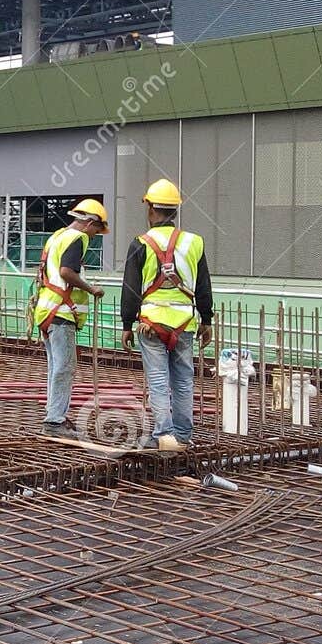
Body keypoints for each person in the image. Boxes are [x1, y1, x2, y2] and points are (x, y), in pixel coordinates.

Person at [121, 179, 213, 451]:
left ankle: (164, 434)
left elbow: (130, 288)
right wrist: (206, 320)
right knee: (184, 379)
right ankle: (183, 436)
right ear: (175, 211)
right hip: (184, 323)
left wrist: (127, 323)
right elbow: (204, 286)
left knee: (158, 380)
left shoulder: (140, 243)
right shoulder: (194, 242)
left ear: (150, 208)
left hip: (152, 324)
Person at [32, 200, 109, 438]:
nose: (95, 236)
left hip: (47, 311)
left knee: (56, 367)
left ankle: (55, 415)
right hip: (61, 312)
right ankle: (54, 421)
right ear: (89, 223)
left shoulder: (57, 236)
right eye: (97, 230)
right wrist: (91, 289)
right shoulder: (78, 238)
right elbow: (67, 272)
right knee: (64, 367)